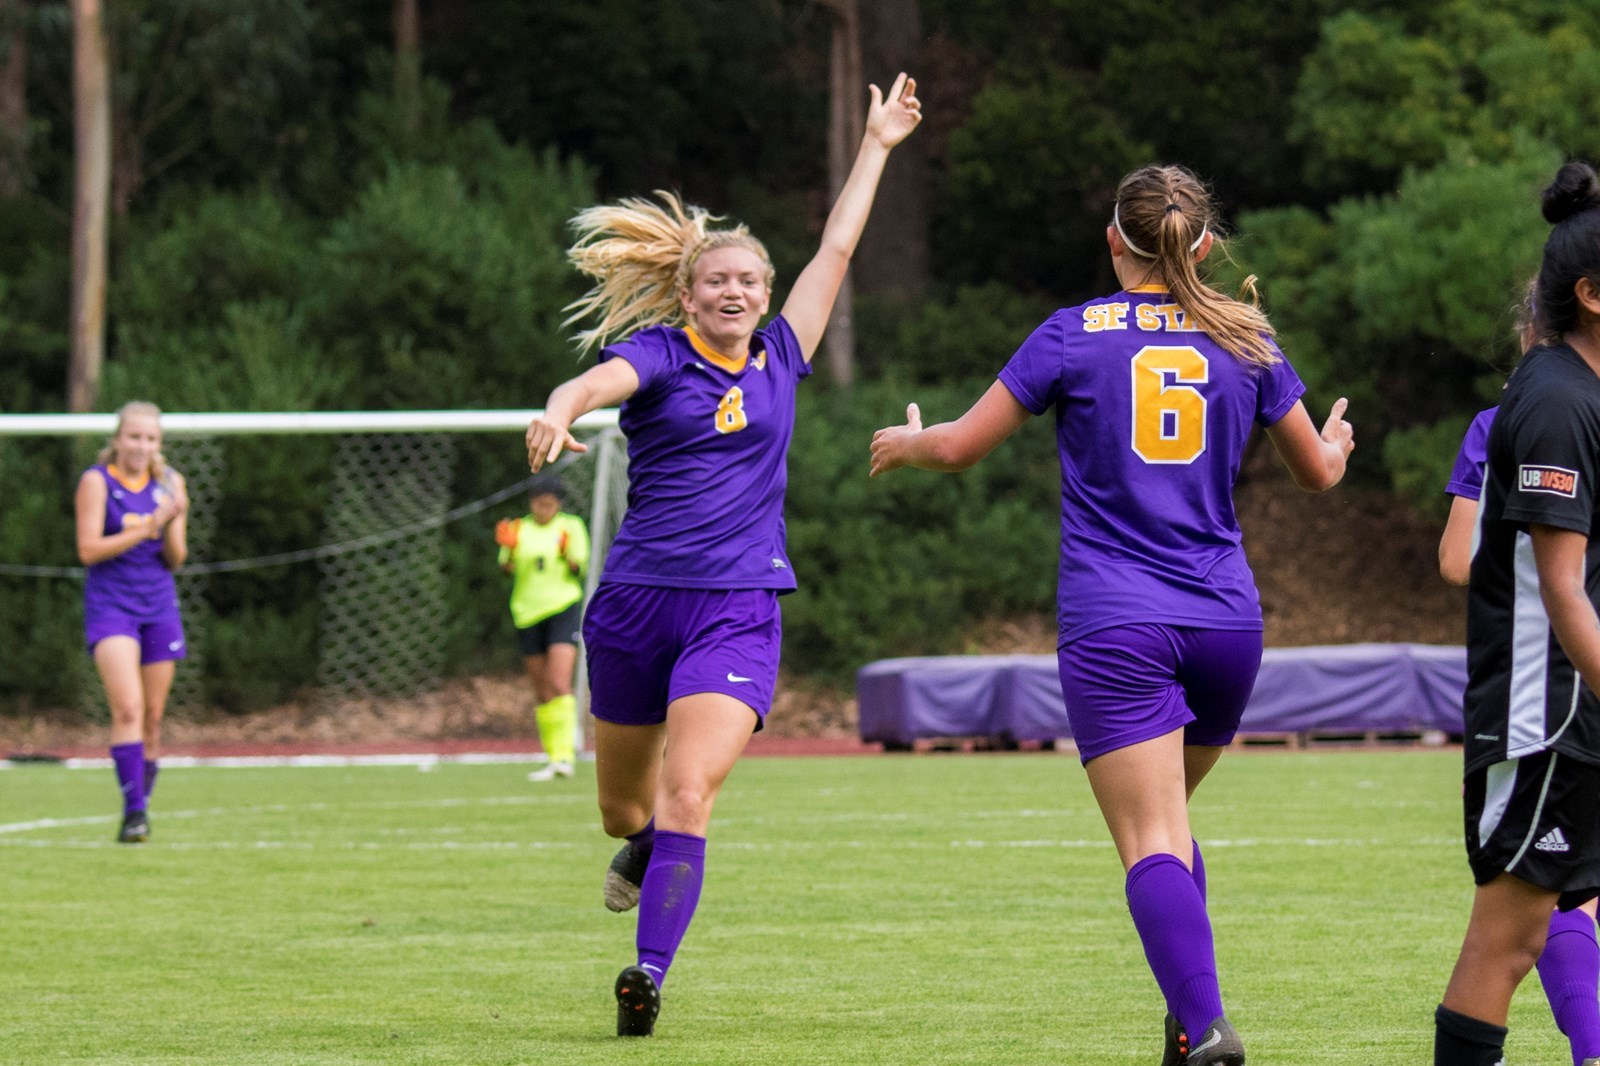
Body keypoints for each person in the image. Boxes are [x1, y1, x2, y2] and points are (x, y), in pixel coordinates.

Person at [868, 163, 1353, 1066]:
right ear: (1204, 245)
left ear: (1112, 239)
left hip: (1116, 621)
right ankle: (1185, 1026)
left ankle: (1208, 1032)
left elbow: (963, 445)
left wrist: (906, 444)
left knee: (1151, 840)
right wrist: (1335, 441)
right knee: (1170, 825)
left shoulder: (1071, 335)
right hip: (1226, 624)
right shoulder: (1247, 334)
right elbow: (1316, 474)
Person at [524, 75, 922, 1037]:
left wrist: (876, 145)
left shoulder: (785, 354)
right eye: (717, 281)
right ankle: (646, 851)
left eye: (748, 280)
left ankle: (647, 978)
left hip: (736, 607)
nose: (734, 291)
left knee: (689, 789)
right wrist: (557, 409)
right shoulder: (662, 356)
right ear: (690, 294)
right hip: (633, 608)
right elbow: (595, 378)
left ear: (767, 293)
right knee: (626, 815)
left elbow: (837, 247)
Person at [1434, 161, 1600, 1066]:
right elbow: (1562, 586)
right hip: (1545, 712)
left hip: (1576, 706)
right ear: (1591, 294)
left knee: (1535, 929)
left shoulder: (1580, 394)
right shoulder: (1554, 405)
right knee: (1505, 942)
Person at [74, 401, 188, 844]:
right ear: (118, 439)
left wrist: (173, 523)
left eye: (150, 438)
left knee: (154, 718)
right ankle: (134, 814)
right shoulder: (96, 481)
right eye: (134, 436)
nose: (141, 446)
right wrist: (146, 526)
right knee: (128, 708)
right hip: (111, 607)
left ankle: (140, 808)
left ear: (158, 443)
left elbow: (175, 559)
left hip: (158, 605)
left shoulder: (170, 483)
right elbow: (87, 550)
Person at [495, 473, 590, 782]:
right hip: (527, 612)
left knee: (560, 681)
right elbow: (506, 569)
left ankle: (566, 755)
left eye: (549, 504)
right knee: (542, 690)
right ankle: (553, 757)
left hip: (562, 608)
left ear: (558, 504)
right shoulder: (519, 528)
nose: (543, 509)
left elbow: (580, 567)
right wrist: (507, 550)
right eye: (538, 503)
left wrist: (566, 553)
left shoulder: (570, 526)